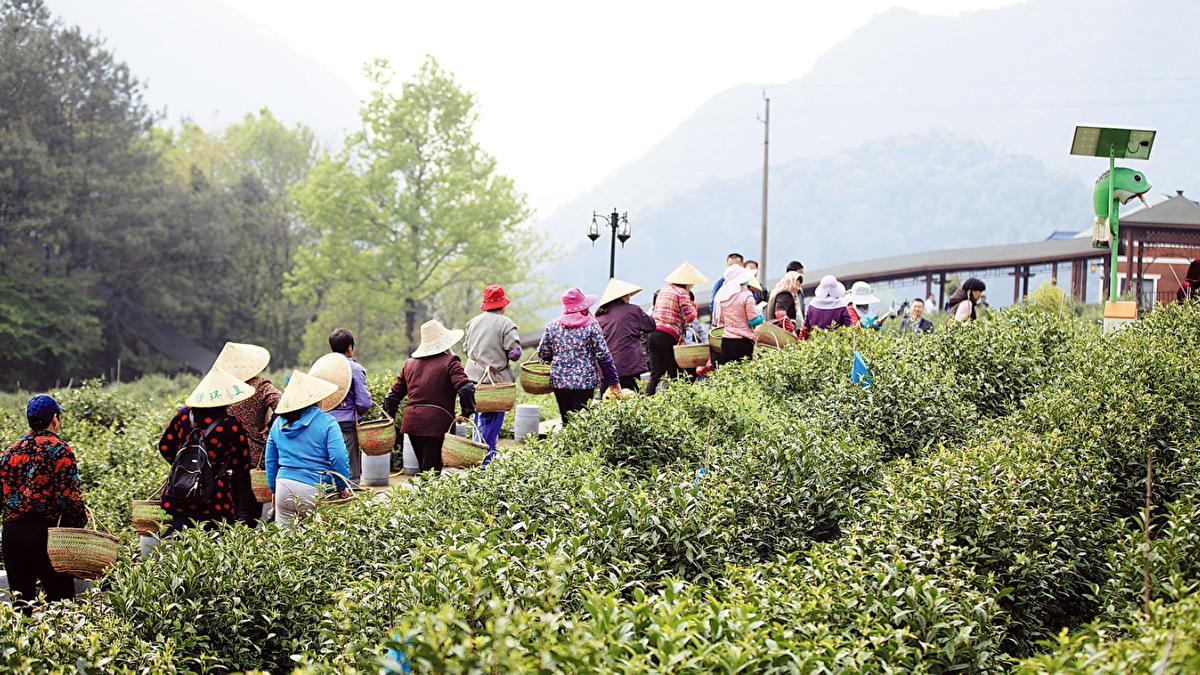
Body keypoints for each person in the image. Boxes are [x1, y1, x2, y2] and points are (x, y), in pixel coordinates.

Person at [0, 395, 85, 611]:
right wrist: (77, 529)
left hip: (12, 535)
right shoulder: (60, 450)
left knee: (21, 605)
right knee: (61, 605)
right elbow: (71, 499)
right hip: (47, 536)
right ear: (54, 419)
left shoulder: (10, 452)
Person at [158, 368, 254, 532]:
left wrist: (187, 468)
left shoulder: (183, 416)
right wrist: (245, 509)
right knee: (214, 547)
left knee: (182, 545)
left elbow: (165, 446)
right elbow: (242, 467)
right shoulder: (231, 424)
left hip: (181, 491)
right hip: (215, 497)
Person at [382, 320, 477, 474]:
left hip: (412, 424)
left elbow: (393, 396)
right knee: (432, 471)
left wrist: (387, 419)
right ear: (446, 343)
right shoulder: (450, 361)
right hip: (437, 424)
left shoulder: (410, 364)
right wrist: (466, 413)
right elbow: (466, 388)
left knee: (426, 469)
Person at [265, 370, 352, 528]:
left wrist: (273, 488)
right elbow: (338, 457)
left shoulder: (277, 424)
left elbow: (270, 461)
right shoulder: (328, 422)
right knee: (316, 542)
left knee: (285, 544)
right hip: (314, 488)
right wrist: (342, 485)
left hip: (283, 486)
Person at [217, 342, 282, 526]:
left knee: (229, 507)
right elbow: (283, 404)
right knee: (248, 509)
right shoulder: (260, 385)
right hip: (251, 454)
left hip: (223, 454)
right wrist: (270, 426)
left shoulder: (222, 387)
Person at [537, 288, 622, 424]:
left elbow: (543, 352)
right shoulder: (591, 326)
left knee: (566, 421)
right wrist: (613, 383)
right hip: (585, 382)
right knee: (582, 423)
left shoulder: (552, 326)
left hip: (560, 381)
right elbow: (604, 356)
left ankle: (566, 444)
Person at [464, 285, 522, 465]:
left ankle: (476, 455)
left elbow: (466, 349)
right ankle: (486, 460)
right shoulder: (506, 323)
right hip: (496, 382)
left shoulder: (472, 322)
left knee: (478, 415)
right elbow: (514, 353)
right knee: (492, 420)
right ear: (502, 305)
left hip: (473, 379)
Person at [648, 262, 707, 395]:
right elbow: (690, 317)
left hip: (654, 334)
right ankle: (677, 403)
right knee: (674, 372)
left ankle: (646, 402)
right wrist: (693, 307)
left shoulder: (664, 289)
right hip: (668, 336)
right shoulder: (682, 293)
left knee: (655, 374)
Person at [326, 328, 373, 486]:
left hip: (324, 422)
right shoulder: (355, 369)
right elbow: (364, 402)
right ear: (350, 348)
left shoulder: (323, 369)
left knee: (328, 463)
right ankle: (350, 498)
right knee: (350, 466)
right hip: (346, 424)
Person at [596, 278, 655, 392]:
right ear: (622, 297)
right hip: (629, 364)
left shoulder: (599, 316)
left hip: (606, 367)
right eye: (628, 296)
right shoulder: (633, 310)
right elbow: (650, 326)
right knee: (631, 398)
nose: (629, 298)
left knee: (607, 400)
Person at [713, 264, 763, 364]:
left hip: (726, 341)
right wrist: (760, 316)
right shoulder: (747, 295)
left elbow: (720, 320)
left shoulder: (722, 297)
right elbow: (753, 320)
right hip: (743, 342)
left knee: (729, 375)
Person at [766, 271, 803, 335]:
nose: (798, 288)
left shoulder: (776, 292)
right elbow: (780, 314)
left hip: (774, 331)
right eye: (796, 285)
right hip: (781, 333)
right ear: (791, 282)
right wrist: (791, 331)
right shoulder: (785, 294)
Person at [708, 252, 744, 317]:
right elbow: (713, 305)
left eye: (736, 265)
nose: (733, 268)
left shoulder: (748, 282)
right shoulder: (720, 284)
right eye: (730, 266)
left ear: (742, 265)